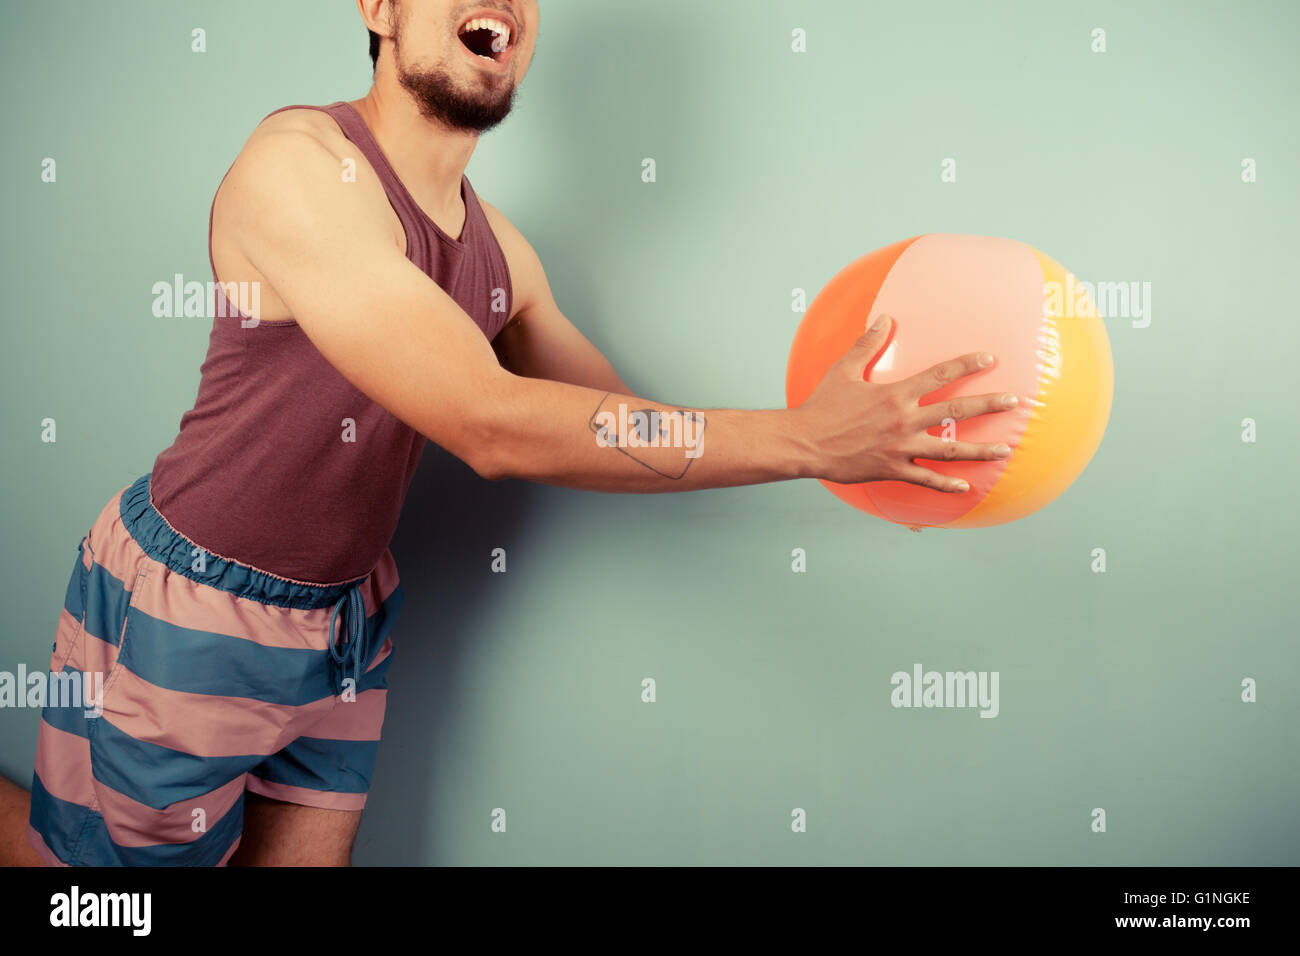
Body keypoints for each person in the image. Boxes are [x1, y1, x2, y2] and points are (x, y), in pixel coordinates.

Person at [0, 0, 1017, 867]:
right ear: (377, 6)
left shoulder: (505, 258)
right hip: (201, 599)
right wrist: (807, 439)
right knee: (96, 898)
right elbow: (490, 422)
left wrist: (858, 441)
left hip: (348, 615)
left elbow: (622, 435)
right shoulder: (297, 165)